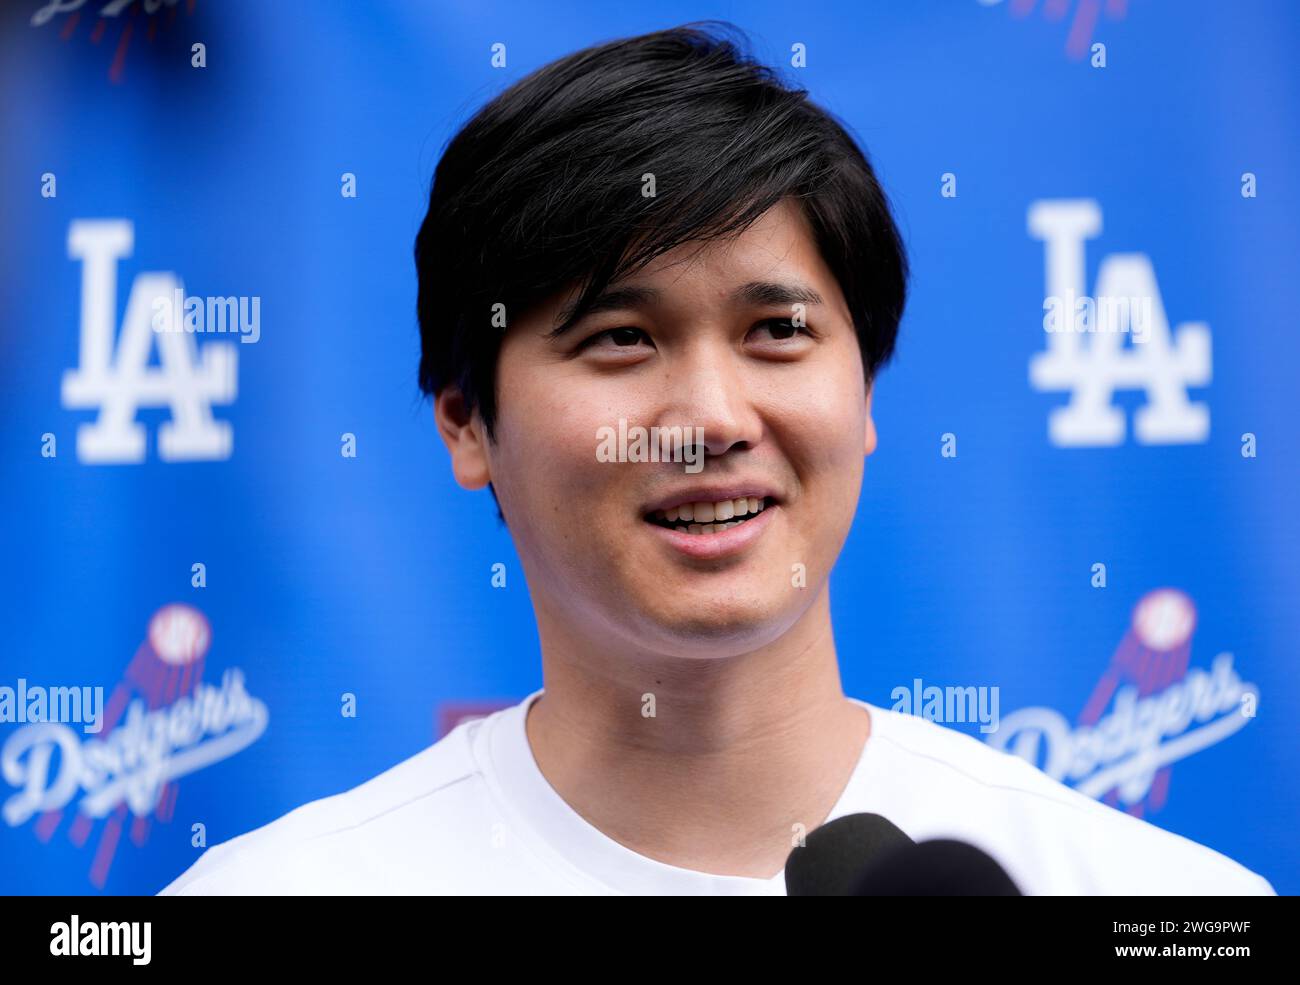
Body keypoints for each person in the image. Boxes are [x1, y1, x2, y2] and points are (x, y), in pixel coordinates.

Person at [160, 22, 1274, 896]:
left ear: (865, 391)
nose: (708, 416)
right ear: (464, 421)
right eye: (621, 339)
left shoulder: (1140, 898)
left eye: (777, 333)